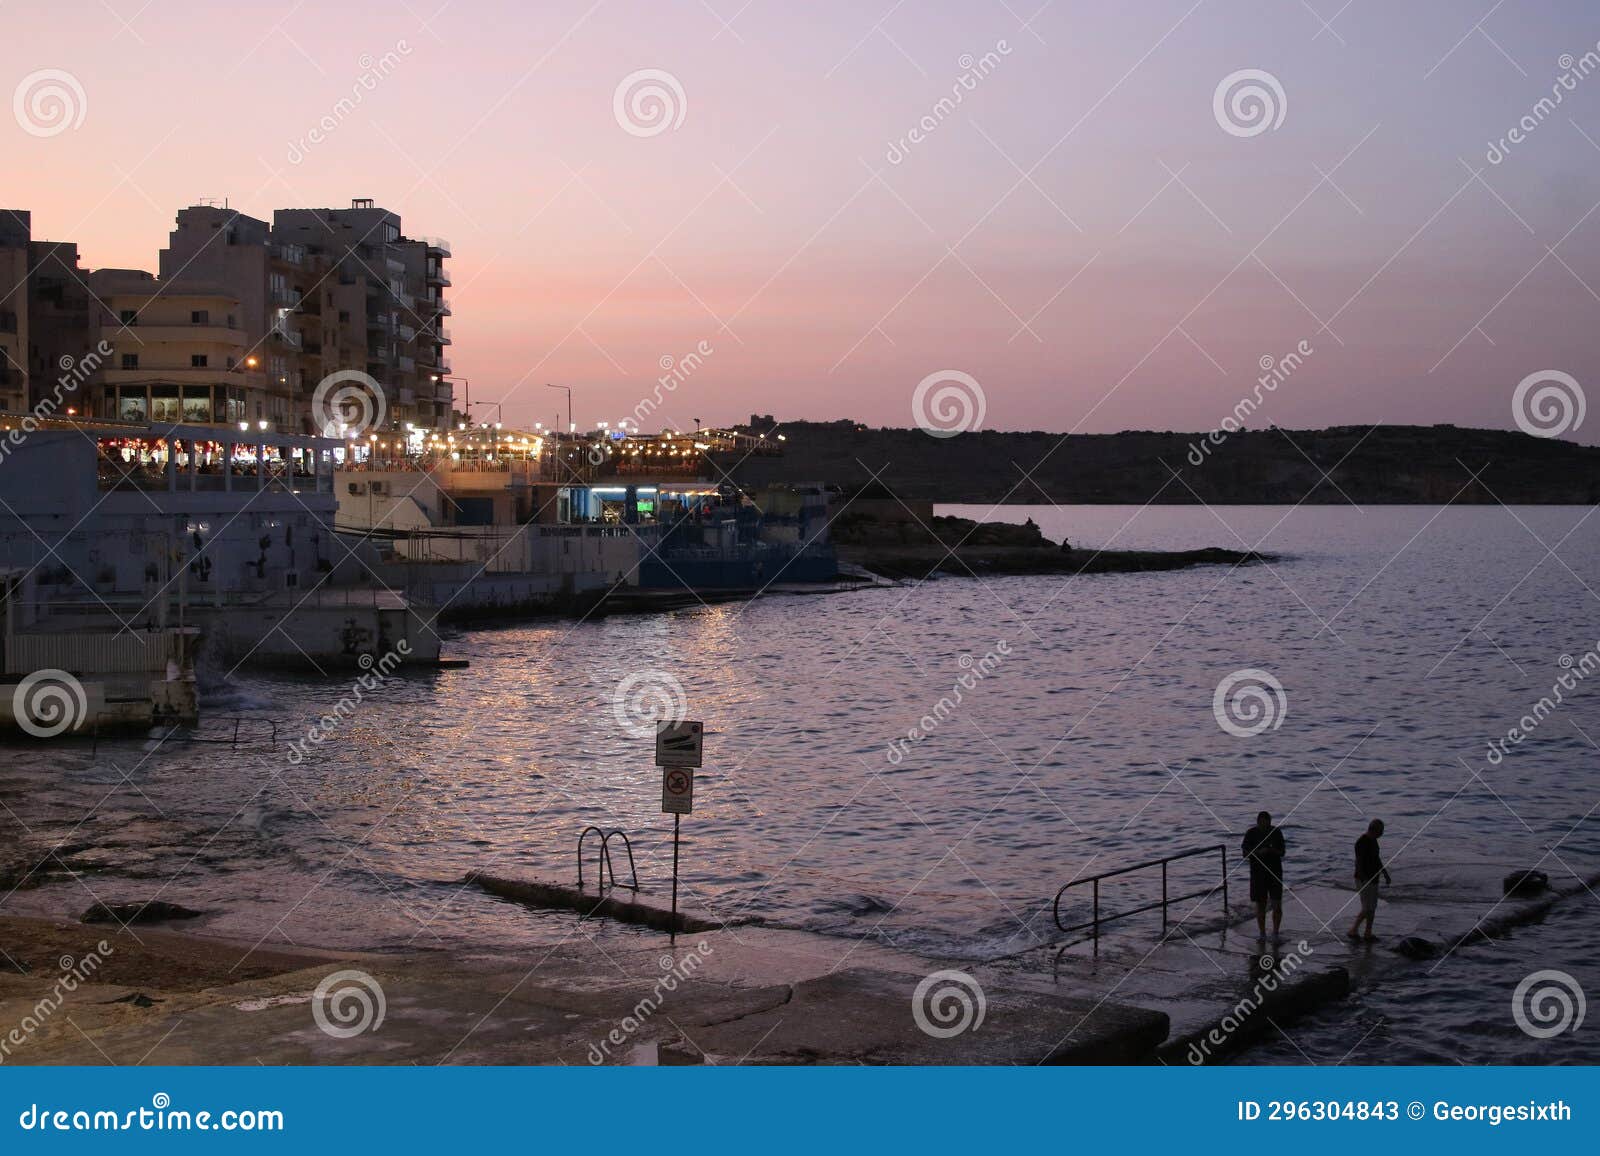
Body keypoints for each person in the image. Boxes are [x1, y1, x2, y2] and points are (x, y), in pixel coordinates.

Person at [1241, 811, 1286, 939]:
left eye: (1267, 823)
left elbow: (1282, 852)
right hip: (1258, 874)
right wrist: (1258, 852)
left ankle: (1276, 932)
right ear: (1258, 822)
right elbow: (1245, 854)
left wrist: (1271, 850)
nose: (1265, 826)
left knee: (1276, 903)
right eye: (1262, 824)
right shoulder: (1251, 833)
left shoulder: (1276, 832)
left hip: (1275, 872)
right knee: (1260, 905)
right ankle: (1262, 933)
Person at [1347, 819, 1392, 942]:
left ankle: (1368, 932)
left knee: (1372, 907)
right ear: (1374, 830)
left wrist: (1385, 873)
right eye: (1381, 831)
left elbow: (1377, 859)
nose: (1382, 833)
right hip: (1364, 878)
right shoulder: (1362, 842)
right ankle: (1353, 929)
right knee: (1367, 907)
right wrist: (1363, 878)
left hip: (1374, 878)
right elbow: (1359, 862)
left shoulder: (1374, 841)